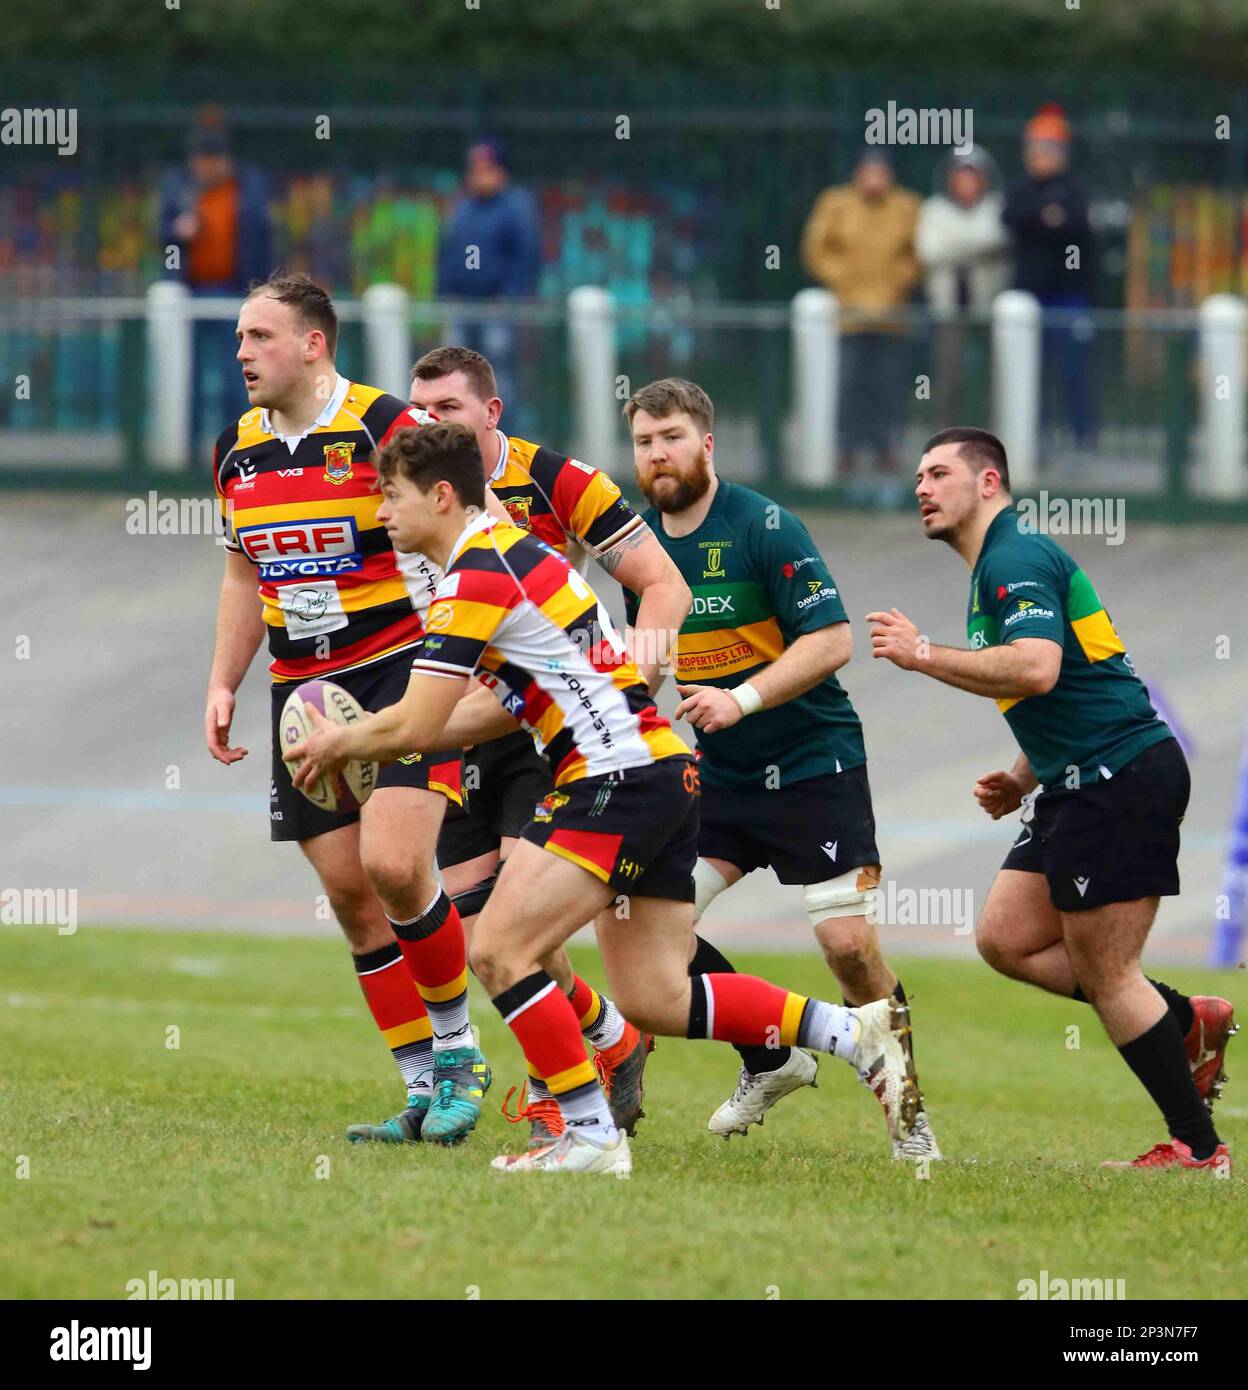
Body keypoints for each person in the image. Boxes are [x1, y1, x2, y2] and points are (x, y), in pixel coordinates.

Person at [286, 421, 921, 1177]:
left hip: (613, 780)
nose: (382, 513)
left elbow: (422, 720)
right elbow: (490, 711)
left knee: (497, 948)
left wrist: (341, 743)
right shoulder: (513, 556)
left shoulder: (476, 573)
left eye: (391, 496)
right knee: (653, 994)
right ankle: (857, 1033)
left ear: (442, 495)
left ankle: (588, 1136)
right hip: (660, 774)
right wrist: (370, 740)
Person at [337, 344, 690, 1150]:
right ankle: (608, 1039)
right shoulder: (414, 508)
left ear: (490, 415)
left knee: (518, 931)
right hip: (462, 705)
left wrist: (636, 695)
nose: (428, 423)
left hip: (551, 725)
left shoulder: (558, 482)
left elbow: (663, 585)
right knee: (471, 917)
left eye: (448, 410)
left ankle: (559, 1110)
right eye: (418, 410)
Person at [868, 426, 1235, 1171]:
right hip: (1078, 774)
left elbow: (1036, 668)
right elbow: (1073, 690)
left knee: (1108, 974)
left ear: (990, 484)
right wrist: (1021, 775)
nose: (923, 489)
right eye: (917, 479)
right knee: (1006, 935)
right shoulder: (997, 569)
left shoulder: (1014, 557)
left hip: (1120, 776)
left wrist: (922, 654)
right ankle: (1184, 1020)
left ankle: (1198, 1149)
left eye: (939, 473)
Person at [205, 272, 492, 1149]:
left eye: (260, 337)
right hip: (300, 688)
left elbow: (463, 529)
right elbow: (243, 574)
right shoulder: (234, 450)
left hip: (400, 672)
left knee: (400, 867)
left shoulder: (383, 428)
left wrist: (466, 642)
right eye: (242, 337)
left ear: (313, 343)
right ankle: (418, 1089)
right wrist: (223, 681)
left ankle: (459, 1056)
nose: (244, 352)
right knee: (350, 894)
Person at [622, 378, 940, 1160]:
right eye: (642, 441)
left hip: (813, 763)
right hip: (718, 777)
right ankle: (772, 1057)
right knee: (651, 927)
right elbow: (649, 664)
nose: (657, 454)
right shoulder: (634, 548)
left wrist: (743, 697)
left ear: (707, 444)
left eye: (671, 436)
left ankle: (909, 1120)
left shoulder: (766, 524)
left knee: (847, 948)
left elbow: (832, 639)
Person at [801, 150, 921, 476]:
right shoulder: (835, 203)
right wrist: (843, 279)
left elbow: (918, 252)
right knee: (848, 384)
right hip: (847, 314)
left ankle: (886, 448)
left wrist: (898, 280)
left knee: (887, 386)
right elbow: (816, 248)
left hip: (891, 315)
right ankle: (845, 449)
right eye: (869, 172)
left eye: (880, 173)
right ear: (857, 174)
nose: (874, 179)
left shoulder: (906, 207)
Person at [159, 114, 273, 452]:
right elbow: (162, 236)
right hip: (188, 293)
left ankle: (240, 450)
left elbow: (262, 239)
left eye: (211, 160)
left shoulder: (247, 188)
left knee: (235, 376)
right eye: (200, 160)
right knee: (185, 376)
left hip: (233, 294)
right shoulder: (179, 187)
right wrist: (177, 233)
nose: (204, 167)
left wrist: (261, 292)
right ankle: (187, 449)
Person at [1001, 105, 1096, 448]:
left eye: (1049, 148)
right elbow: (1012, 218)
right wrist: (1046, 218)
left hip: (1068, 294)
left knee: (1073, 369)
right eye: (1036, 148)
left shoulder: (1074, 189)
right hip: (1029, 296)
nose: (1041, 156)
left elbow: (1073, 224)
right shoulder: (1021, 189)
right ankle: (1032, 437)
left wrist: (1044, 221)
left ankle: (1081, 437)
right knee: (1029, 372)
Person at [436, 139, 541, 421]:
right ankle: (463, 435)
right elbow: (448, 252)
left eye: (486, 168)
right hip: (463, 306)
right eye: (475, 168)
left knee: (497, 374)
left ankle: (505, 438)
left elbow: (526, 256)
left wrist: (510, 294)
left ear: (500, 172)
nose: (479, 175)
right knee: (456, 372)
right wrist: (445, 290)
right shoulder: (463, 207)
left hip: (498, 308)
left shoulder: (515, 207)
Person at [916, 146, 1010, 424]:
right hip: (947, 309)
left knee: (992, 379)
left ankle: (988, 439)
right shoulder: (933, 210)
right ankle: (946, 439)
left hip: (988, 309)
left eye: (972, 177)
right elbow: (929, 251)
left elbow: (998, 238)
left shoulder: (997, 208)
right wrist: (976, 247)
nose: (966, 184)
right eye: (960, 177)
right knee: (947, 378)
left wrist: (953, 244)